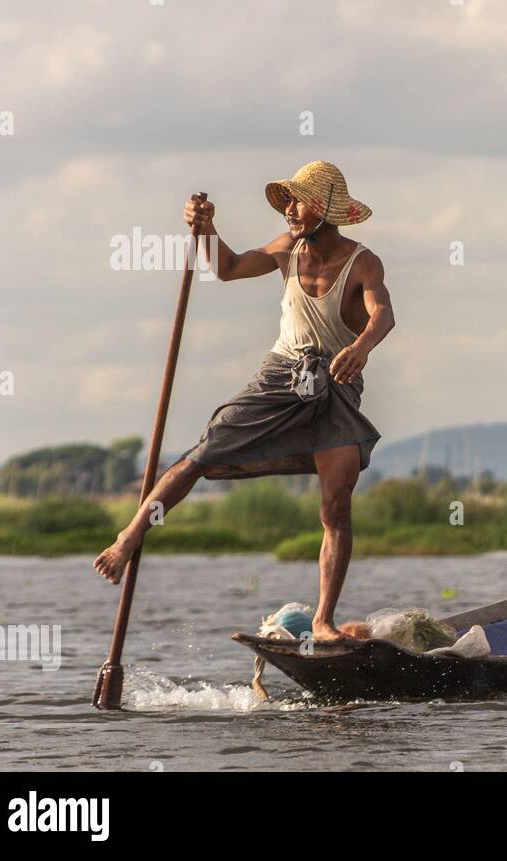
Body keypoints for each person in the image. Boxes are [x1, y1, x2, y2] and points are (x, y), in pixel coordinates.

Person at [93, 161, 395, 642]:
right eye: (288, 202)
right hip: (282, 375)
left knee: (335, 508)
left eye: (298, 202)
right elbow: (229, 268)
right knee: (203, 453)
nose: (290, 211)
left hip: (338, 383)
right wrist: (206, 229)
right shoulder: (286, 250)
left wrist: (360, 347)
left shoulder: (363, 261)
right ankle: (130, 535)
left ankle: (323, 620)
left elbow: (383, 315)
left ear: (326, 208)